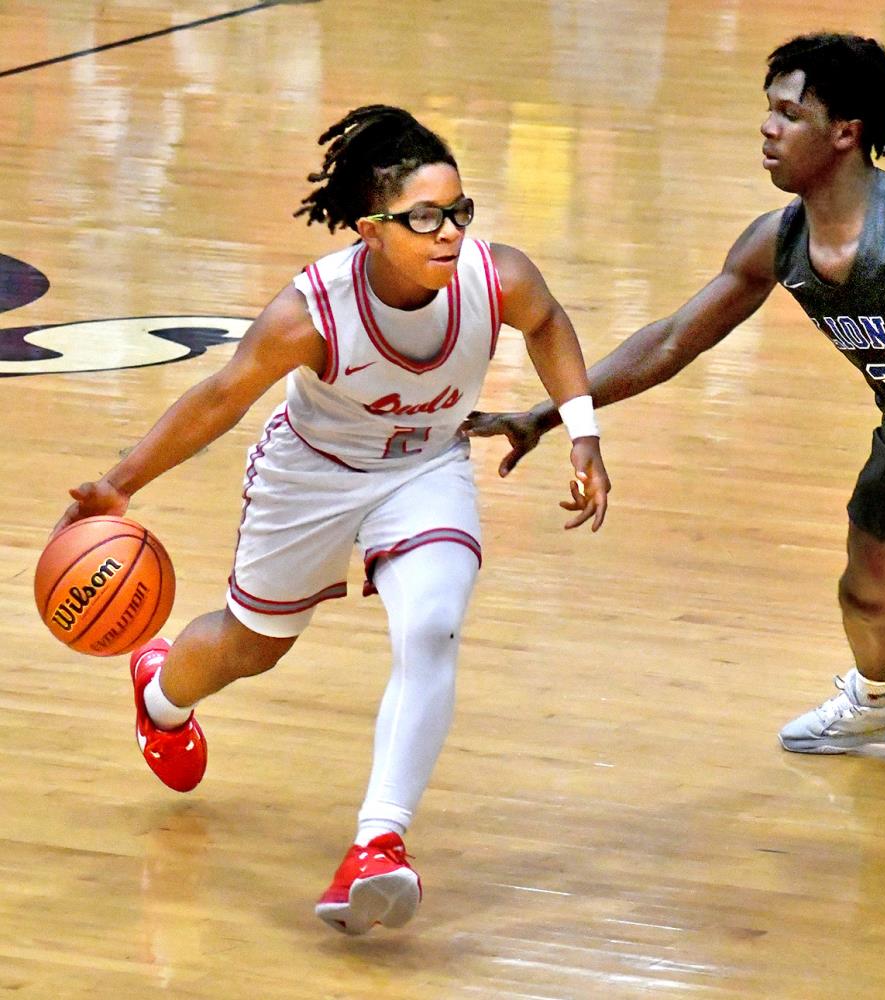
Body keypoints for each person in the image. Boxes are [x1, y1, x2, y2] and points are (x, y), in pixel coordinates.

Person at [465, 33, 885, 936]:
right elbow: (673, 340)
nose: (765, 130)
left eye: (787, 113)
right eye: (767, 109)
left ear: (845, 132)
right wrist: (553, 410)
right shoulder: (779, 240)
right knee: (867, 596)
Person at [53, 105, 611, 935]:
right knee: (253, 648)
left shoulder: (500, 276)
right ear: (368, 230)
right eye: (424, 217)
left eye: (459, 210)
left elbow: (548, 323)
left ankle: (377, 844)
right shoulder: (309, 314)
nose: (450, 231)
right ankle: (161, 694)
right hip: (311, 474)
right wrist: (118, 484)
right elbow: (218, 400)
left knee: (431, 628)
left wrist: (583, 432)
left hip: (426, 468)